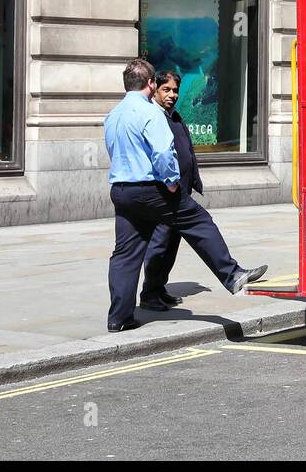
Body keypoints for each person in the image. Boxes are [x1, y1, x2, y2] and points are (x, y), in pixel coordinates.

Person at [103, 59, 266, 332]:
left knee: (125, 254)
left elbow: (113, 149)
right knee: (200, 222)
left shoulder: (113, 114)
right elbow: (163, 152)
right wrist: (171, 182)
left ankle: (119, 318)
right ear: (150, 84)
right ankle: (232, 274)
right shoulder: (150, 112)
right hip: (153, 189)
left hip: (121, 190)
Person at [138, 70, 266, 311]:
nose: (173, 95)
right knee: (167, 239)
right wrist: (171, 183)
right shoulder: (154, 117)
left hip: (179, 189)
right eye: (166, 90)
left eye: (176, 90)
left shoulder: (174, 116)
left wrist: (193, 179)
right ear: (154, 90)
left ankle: (155, 290)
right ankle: (231, 274)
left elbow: (185, 149)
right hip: (166, 191)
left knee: (170, 244)